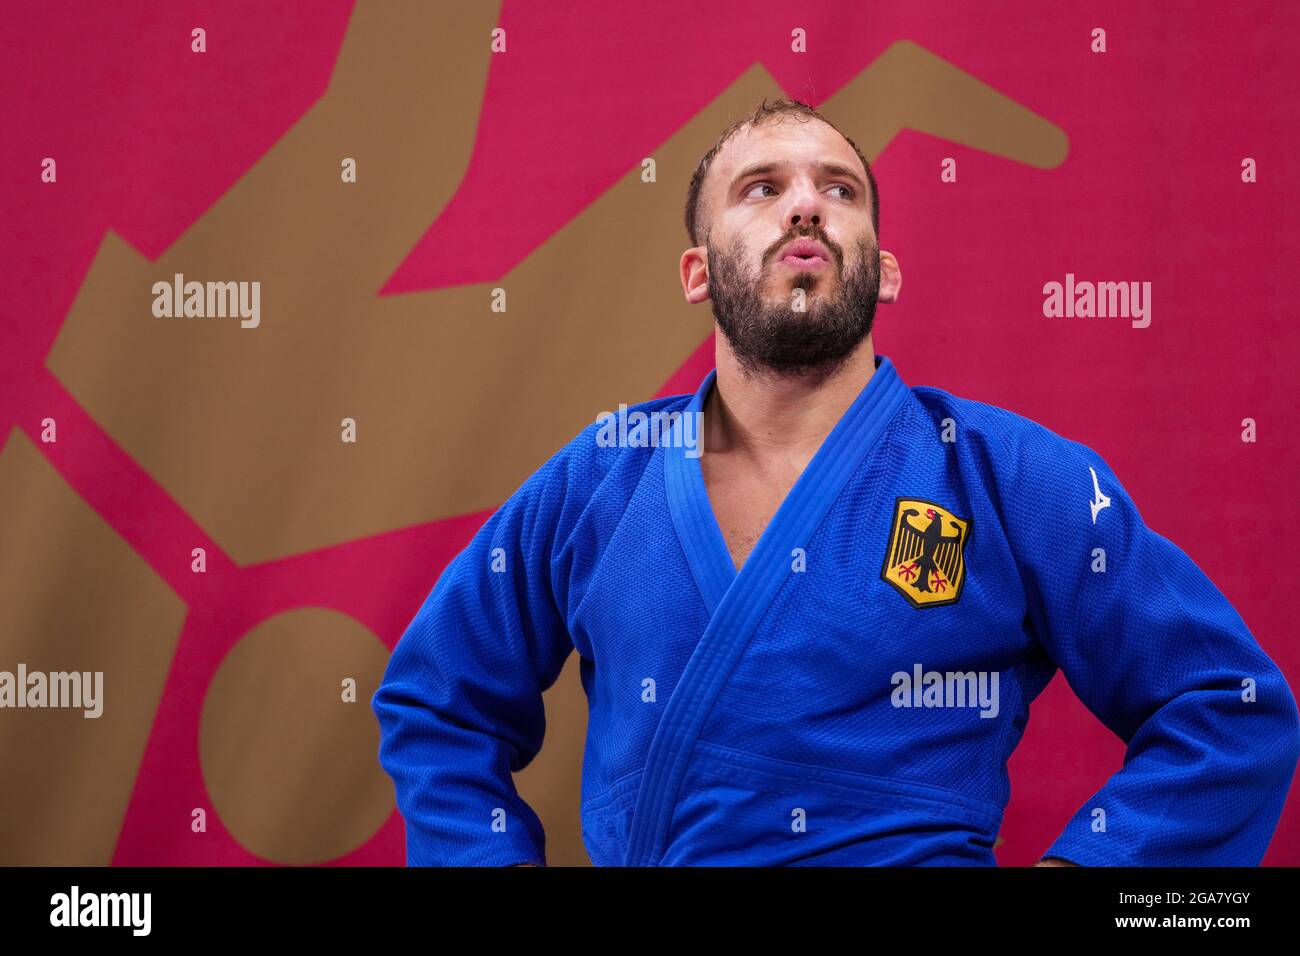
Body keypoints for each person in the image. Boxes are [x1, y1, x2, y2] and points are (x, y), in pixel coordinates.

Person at [372, 97, 1300, 867]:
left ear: (885, 270)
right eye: (762, 189)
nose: (804, 207)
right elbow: (434, 701)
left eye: (838, 190)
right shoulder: (600, 479)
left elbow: (1229, 707)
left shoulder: (1003, 473)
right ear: (698, 273)